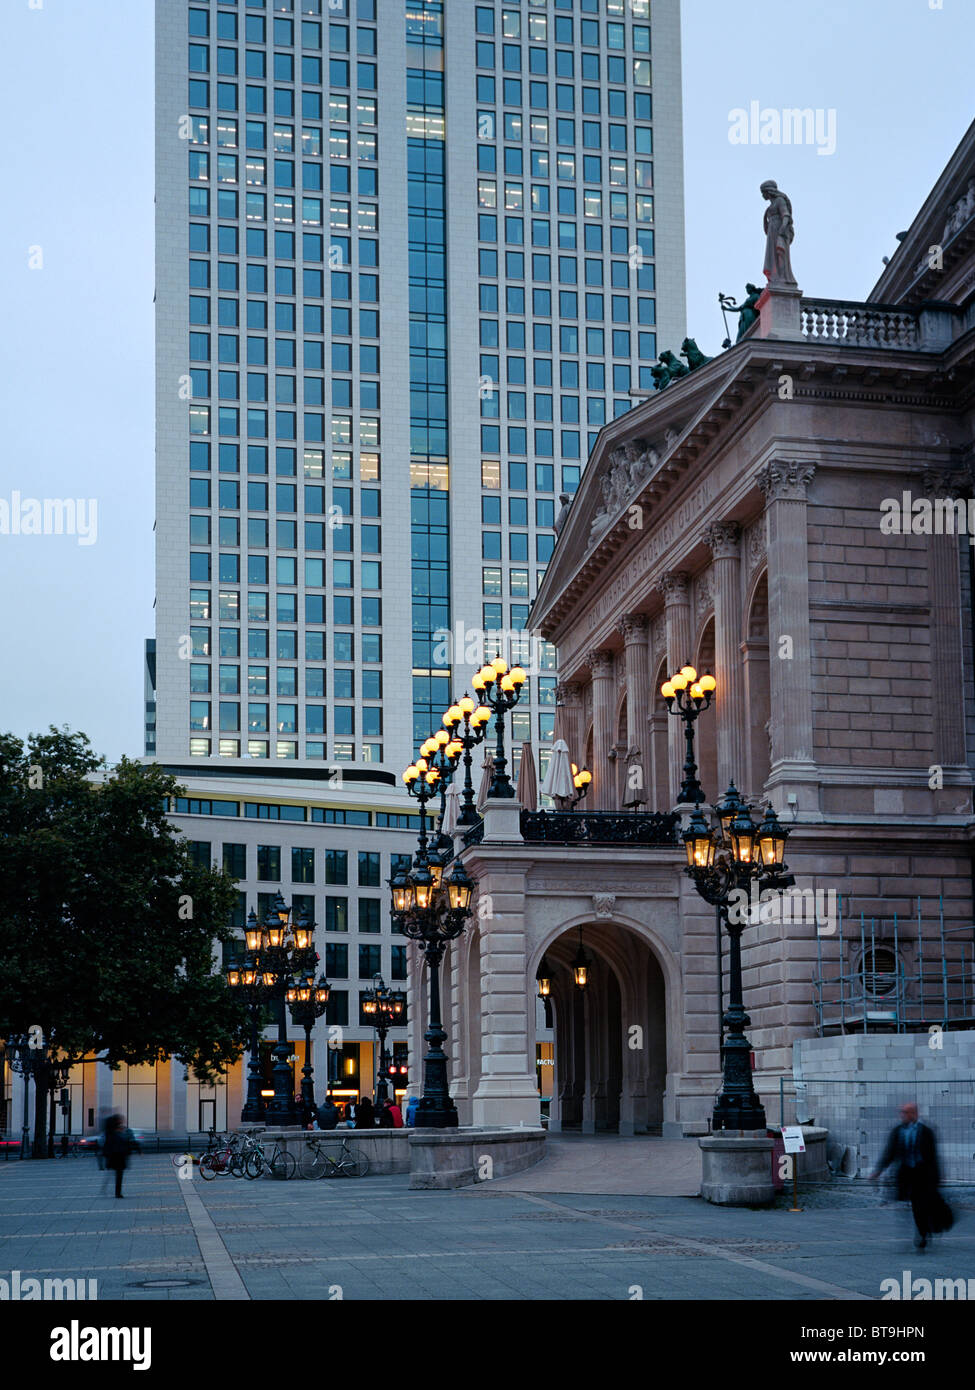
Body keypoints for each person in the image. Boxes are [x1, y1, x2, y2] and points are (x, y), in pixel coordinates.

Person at [870, 1102, 948, 1250]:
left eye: (906, 1112)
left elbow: (933, 1156)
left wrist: (938, 1176)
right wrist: (878, 1170)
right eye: (902, 1112)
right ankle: (922, 1230)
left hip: (923, 1174)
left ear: (914, 1114)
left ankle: (922, 1233)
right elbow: (890, 1152)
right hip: (906, 1173)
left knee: (920, 1204)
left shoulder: (926, 1131)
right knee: (914, 1205)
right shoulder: (898, 1131)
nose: (903, 1115)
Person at [103, 1114, 133, 1199]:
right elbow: (120, 1145)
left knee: (117, 1175)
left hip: (117, 1157)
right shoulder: (115, 1134)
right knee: (118, 1175)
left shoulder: (113, 1133)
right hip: (117, 1157)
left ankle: (117, 1192)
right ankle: (117, 1193)